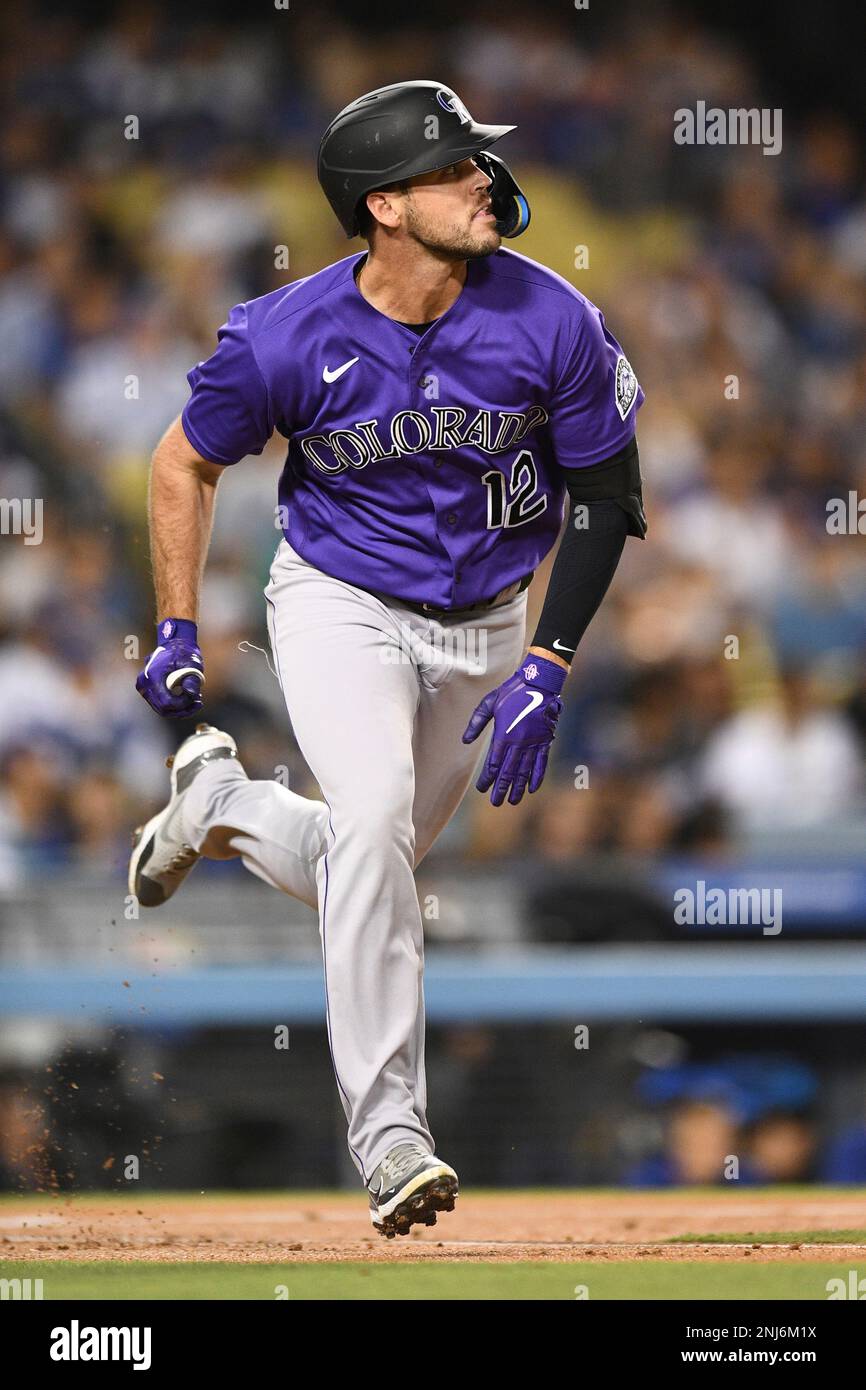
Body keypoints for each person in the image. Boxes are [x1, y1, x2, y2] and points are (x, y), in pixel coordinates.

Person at [131, 80, 646, 1237]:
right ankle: (389, 1135)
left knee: (370, 869)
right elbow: (183, 464)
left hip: (486, 620)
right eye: (453, 167)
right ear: (384, 207)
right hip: (338, 598)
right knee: (367, 829)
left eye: (476, 161)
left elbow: (607, 498)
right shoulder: (282, 333)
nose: (482, 179)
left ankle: (221, 805)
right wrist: (174, 626)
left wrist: (550, 662)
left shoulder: (550, 315)